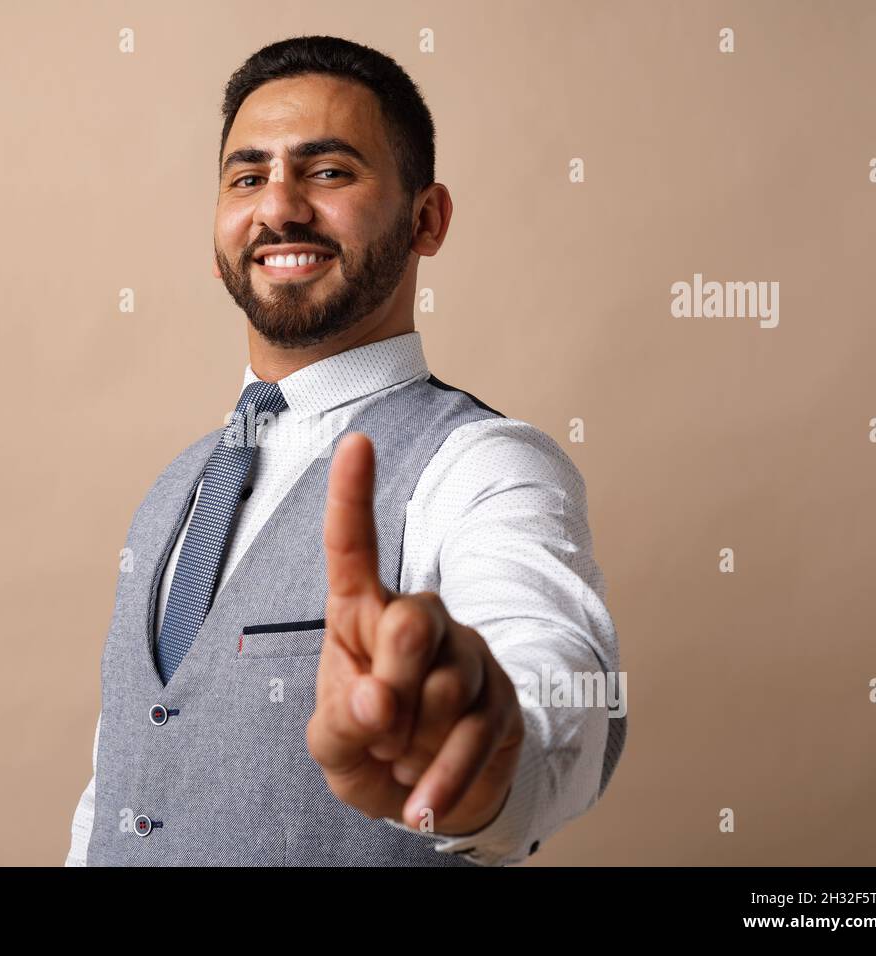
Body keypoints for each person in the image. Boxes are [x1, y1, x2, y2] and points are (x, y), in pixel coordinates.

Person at [66, 34, 624, 866]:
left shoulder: (483, 466)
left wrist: (483, 761)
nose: (279, 208)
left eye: (328, 172)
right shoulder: (176, 488)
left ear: (426, 220)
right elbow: (119, 787)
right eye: (247, 178)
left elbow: (553, 678)